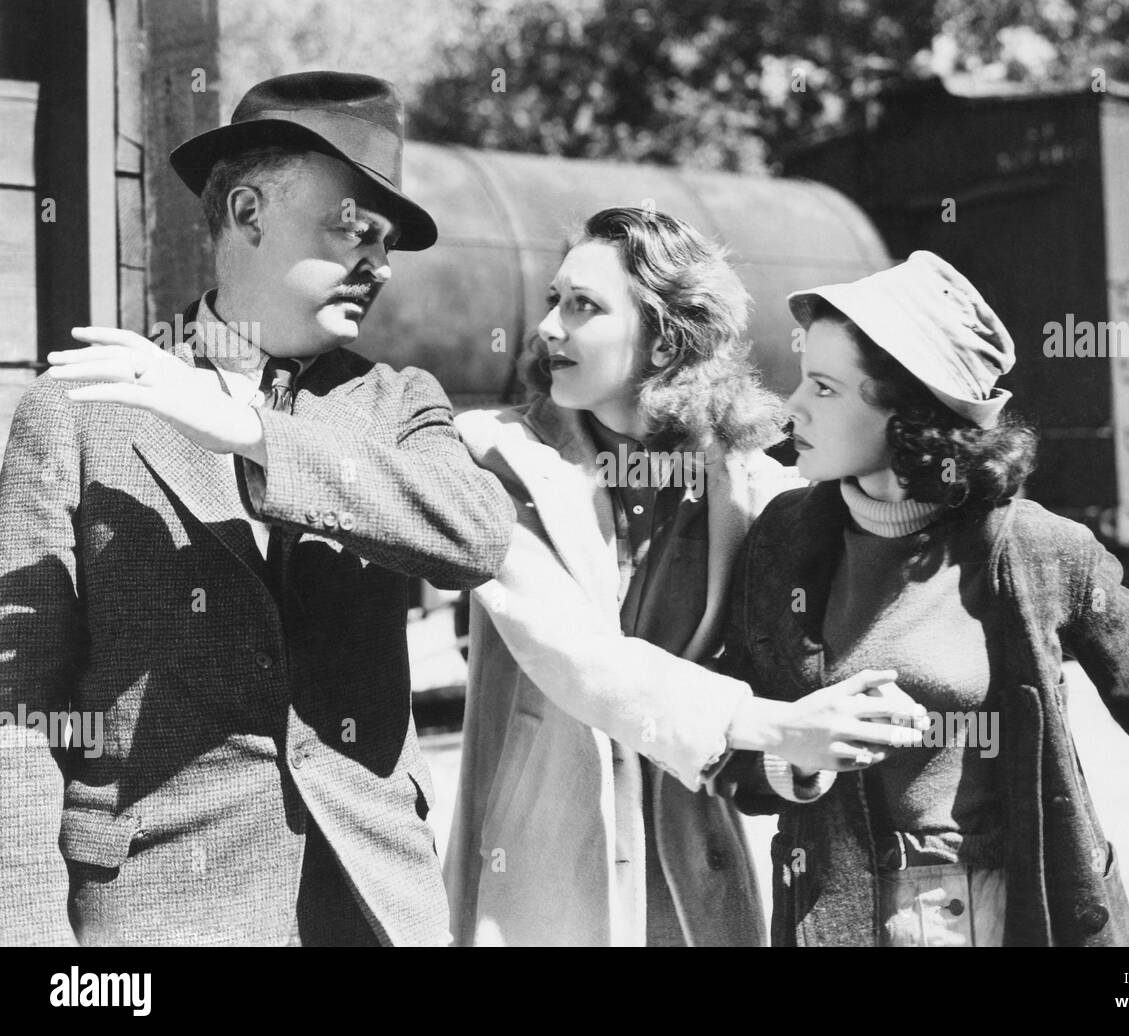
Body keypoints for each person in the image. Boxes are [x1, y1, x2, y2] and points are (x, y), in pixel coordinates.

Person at [0, 72, 512, 946]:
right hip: (159, 917)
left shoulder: (398, 403)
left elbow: (478, 535)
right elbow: (19, 710)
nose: (378, 266)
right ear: (246, 215)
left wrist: (251, 430)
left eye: (387, 242)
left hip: (370, 905)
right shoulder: (79, 406)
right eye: (355, 231)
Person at [717, 250, 1129, 946]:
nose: (793, 407)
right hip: (839, 913)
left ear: (910, 413)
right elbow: (739, 730)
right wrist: (799, 755)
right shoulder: (783, 538)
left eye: (824, 387)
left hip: (1016, 910)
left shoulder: (1039, 549)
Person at [446, 207, 924, 946]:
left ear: (665, 337)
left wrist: (795, 757)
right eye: (553, 299)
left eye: (583, 306)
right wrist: (770, 724)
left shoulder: (749, 488)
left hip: (691, 875)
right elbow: (573, 655)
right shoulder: (494, 458)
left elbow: (778, 687)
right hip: (544, 858)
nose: (547, 328)